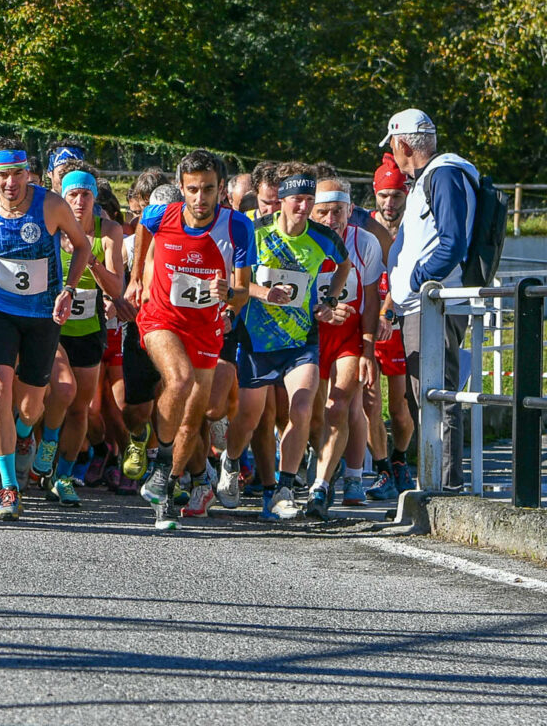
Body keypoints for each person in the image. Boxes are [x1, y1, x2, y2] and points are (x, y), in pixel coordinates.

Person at [0, 138, 92, 522]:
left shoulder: (50, 205)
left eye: (17, 174)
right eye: (2, 176)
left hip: (43, 316)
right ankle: (9, 489)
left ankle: (21, 432)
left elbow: (82, 248)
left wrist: (67, 290)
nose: (10, 183)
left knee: (31, 405)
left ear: (28, 172)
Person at [123, 151, 253, 528]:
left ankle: (162, 485)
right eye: (193, 189)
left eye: (208, 189)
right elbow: (142, 229)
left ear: (221, 191)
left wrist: (228, 292)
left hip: (206, 329)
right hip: (161, 318)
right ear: (181, 189)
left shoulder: (238, 227)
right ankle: (162, 473)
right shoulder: (160, 214)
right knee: (178, 379)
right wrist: (136, 277)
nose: (200, 198)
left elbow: (243, 292)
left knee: (191, 418)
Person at [222, 162, 352, 521]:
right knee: (247, 418)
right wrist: (266, 293)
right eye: (297, 199)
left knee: (302, 406)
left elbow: (344, 265)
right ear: (280, 199)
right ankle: (231, 461)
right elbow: (236, 283)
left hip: (300, 340)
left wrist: (328, 301)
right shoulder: (253, 229)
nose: (304, 207)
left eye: (309, 199)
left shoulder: (323, 237)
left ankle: (284, 486)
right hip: (257, 340)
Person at [384, 108, 478, 493]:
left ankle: (444, 485)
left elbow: (451, 242)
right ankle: (436, 480)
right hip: (424, 306)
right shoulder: (439, 175)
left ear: (403, 144)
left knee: (436, 393)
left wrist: (417, 279)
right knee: (428, 394)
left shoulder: (443, 174)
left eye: (392, 146)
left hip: (433, 306)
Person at [50, 164, 131, 506]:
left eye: (86, 195)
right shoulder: (51, 227)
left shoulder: (108, 230)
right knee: (48, 397)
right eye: (73, 195)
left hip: (89, 328)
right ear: (63, 197)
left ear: (95, 198)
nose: (79, 202)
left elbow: (117, 287)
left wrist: (89, 256)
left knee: (81, 407)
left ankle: (63, 475)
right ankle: (39, 455)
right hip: (52, 327)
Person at [305, 174, 384, 517]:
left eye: (337, 212)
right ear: (310, 211)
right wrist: (318, 312)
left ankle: (324, 486)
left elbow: (370, 300)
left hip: (349, 338)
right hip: (308, 336)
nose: (330, 220)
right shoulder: (298, 241)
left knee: (340, 407)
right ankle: (319, 460)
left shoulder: (364, 242)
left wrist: (367, 351)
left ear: (350, 210)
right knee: (308, 411)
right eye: (322, 212)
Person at [367, 153, 414, 498]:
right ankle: (381, 469)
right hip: (370, 328)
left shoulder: (414, 228)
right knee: (369, 402)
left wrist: (391, 312)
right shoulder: (365, 226)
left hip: (398, 329)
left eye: (396, 195)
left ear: (406, 194)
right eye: (383, 195)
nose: (389, 203)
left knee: (399, 409)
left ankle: (399, 460)